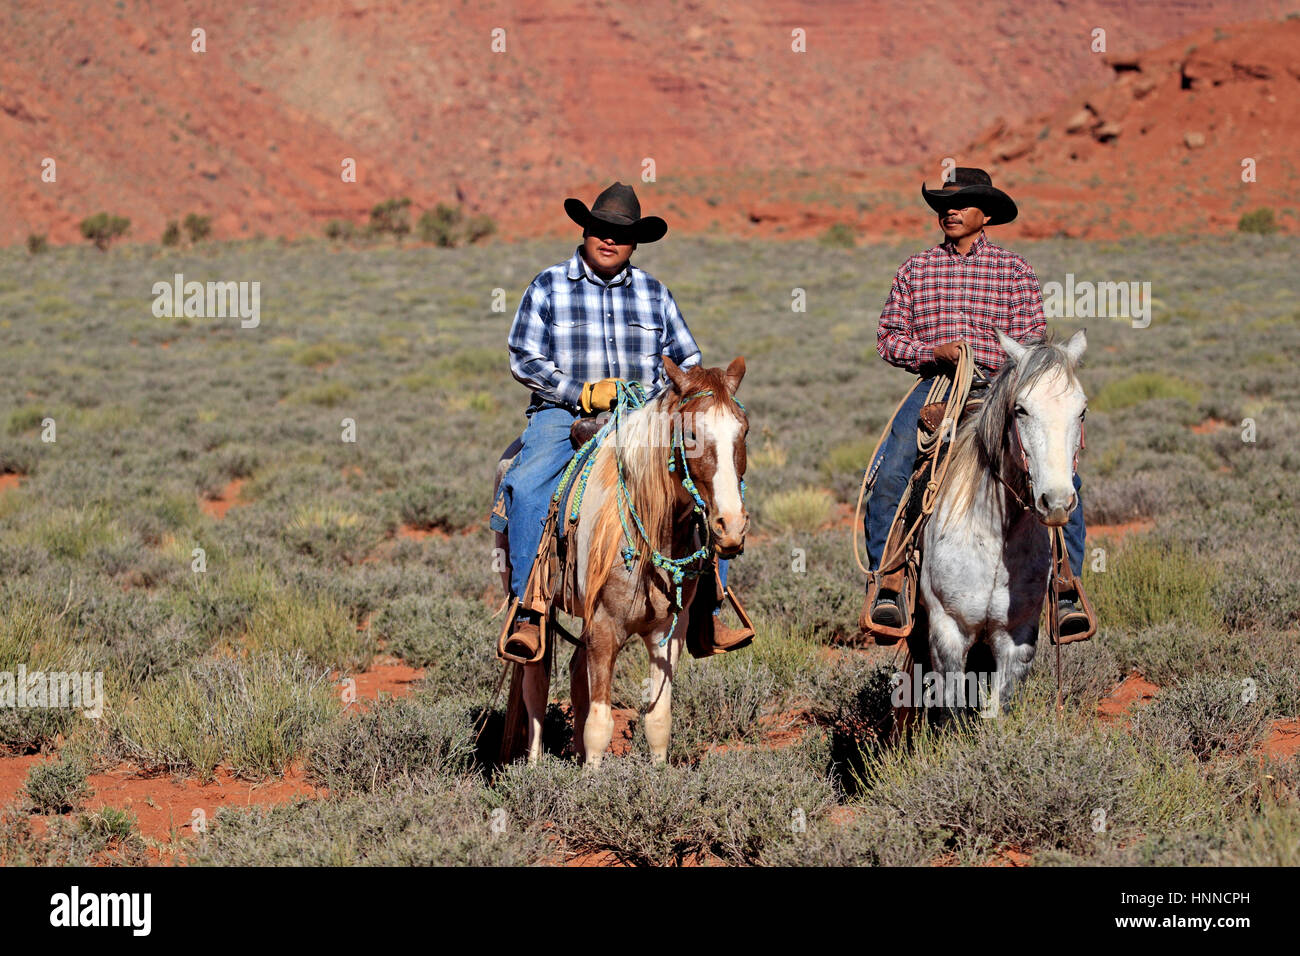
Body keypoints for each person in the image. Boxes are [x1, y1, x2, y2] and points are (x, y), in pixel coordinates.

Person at [492, 182, 751, 659]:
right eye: (600, 230)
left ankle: (708, 613)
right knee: (528, 484)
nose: (609, 240)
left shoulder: (654, 293)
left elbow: (688, 361)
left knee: (707, 482)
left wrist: (659, 401)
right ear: (585, 230)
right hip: (562, 414)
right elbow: (523, 357)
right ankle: (529, 611)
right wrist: (581, 391)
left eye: (622, 234)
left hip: (643, 417)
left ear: (635, 243)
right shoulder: (549, 285)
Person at [863, 167, 1089, 633]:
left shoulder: (1014, 270)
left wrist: (1008, 373)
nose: (950, 210)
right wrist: (932, 352)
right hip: (938, 387)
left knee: (1059, 473)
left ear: (986, 215)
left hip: (1001, 390)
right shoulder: (915, 268)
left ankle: (1066, 586)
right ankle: (889, 582)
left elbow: (1032, 345)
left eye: (963, 203)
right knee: (892, 470)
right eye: (944, 204)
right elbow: (888, 337)